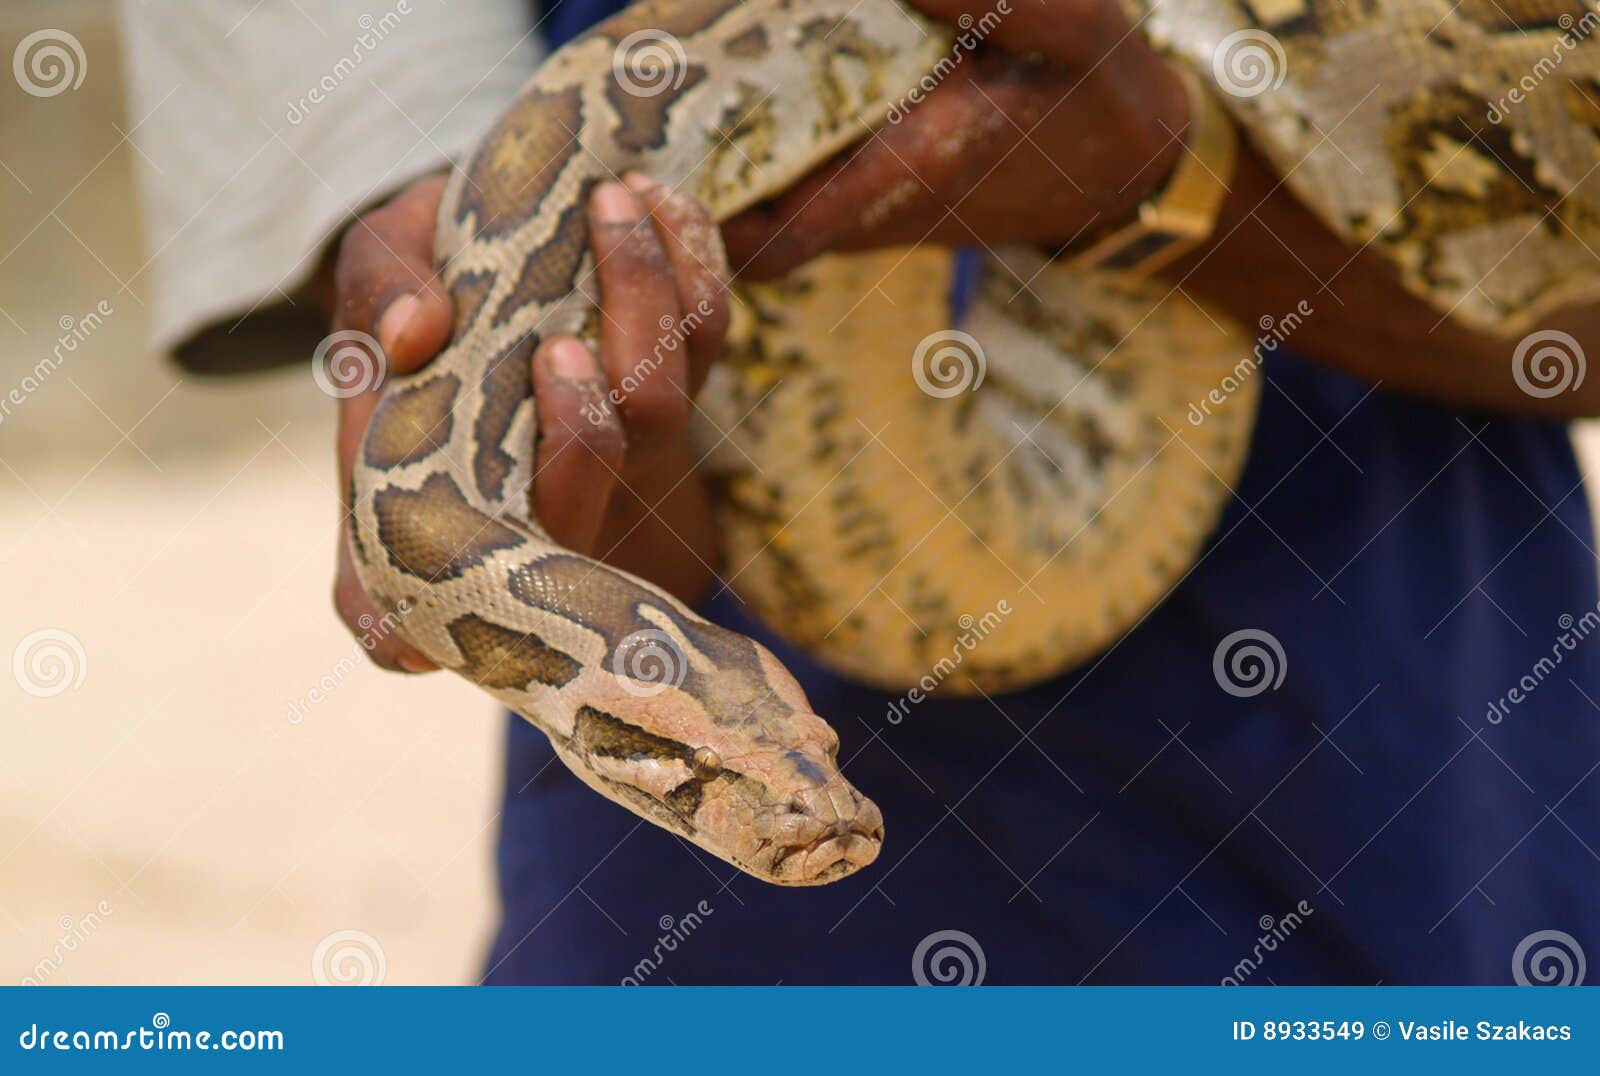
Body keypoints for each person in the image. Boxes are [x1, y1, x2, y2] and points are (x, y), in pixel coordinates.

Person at [125, 0, 1600, 984]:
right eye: (721, 773)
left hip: (1413, 801)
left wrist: (1174, 187)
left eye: (776, 761)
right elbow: (421, 208)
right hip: (710, 969)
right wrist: (519, 382)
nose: (811, 810)